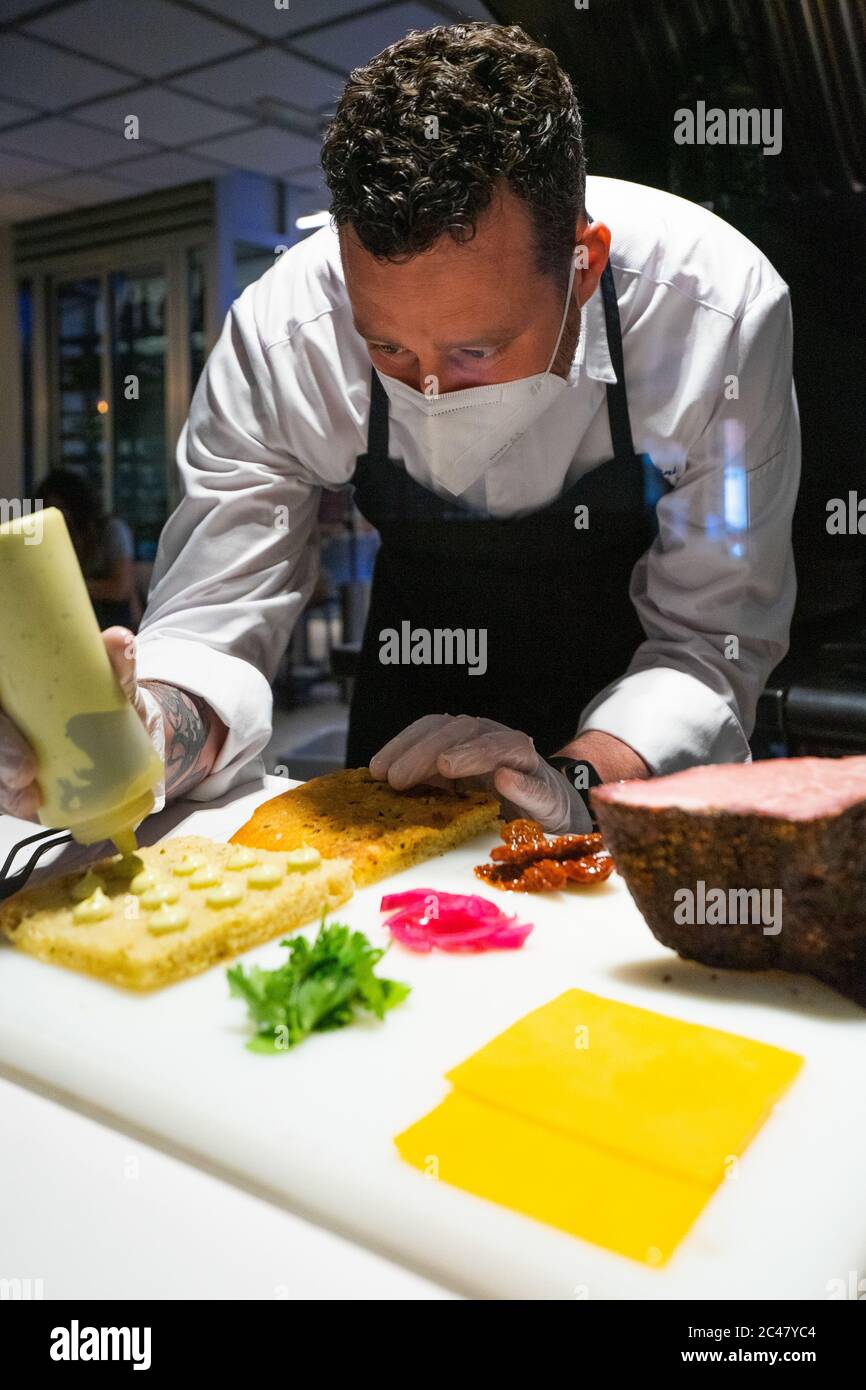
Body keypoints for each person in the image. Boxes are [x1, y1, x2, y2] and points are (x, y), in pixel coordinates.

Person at [0, 22, 799, 834]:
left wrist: (574, 781)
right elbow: (215, 616)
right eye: (386, 348)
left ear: (582, 265)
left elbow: (712, 642)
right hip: (412, 700)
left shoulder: (716, 316)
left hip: (628, 715)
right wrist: (149, 735)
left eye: (475, 351)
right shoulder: (286, 336)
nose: (431, 390)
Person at [39, 468, 142, 632]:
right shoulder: (49, 536)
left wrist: (66, 587)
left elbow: (120, 588)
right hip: (74, 624)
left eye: (61, 507)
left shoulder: (110, 531)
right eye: (48, 509)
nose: (58, 515)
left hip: (114, 623)